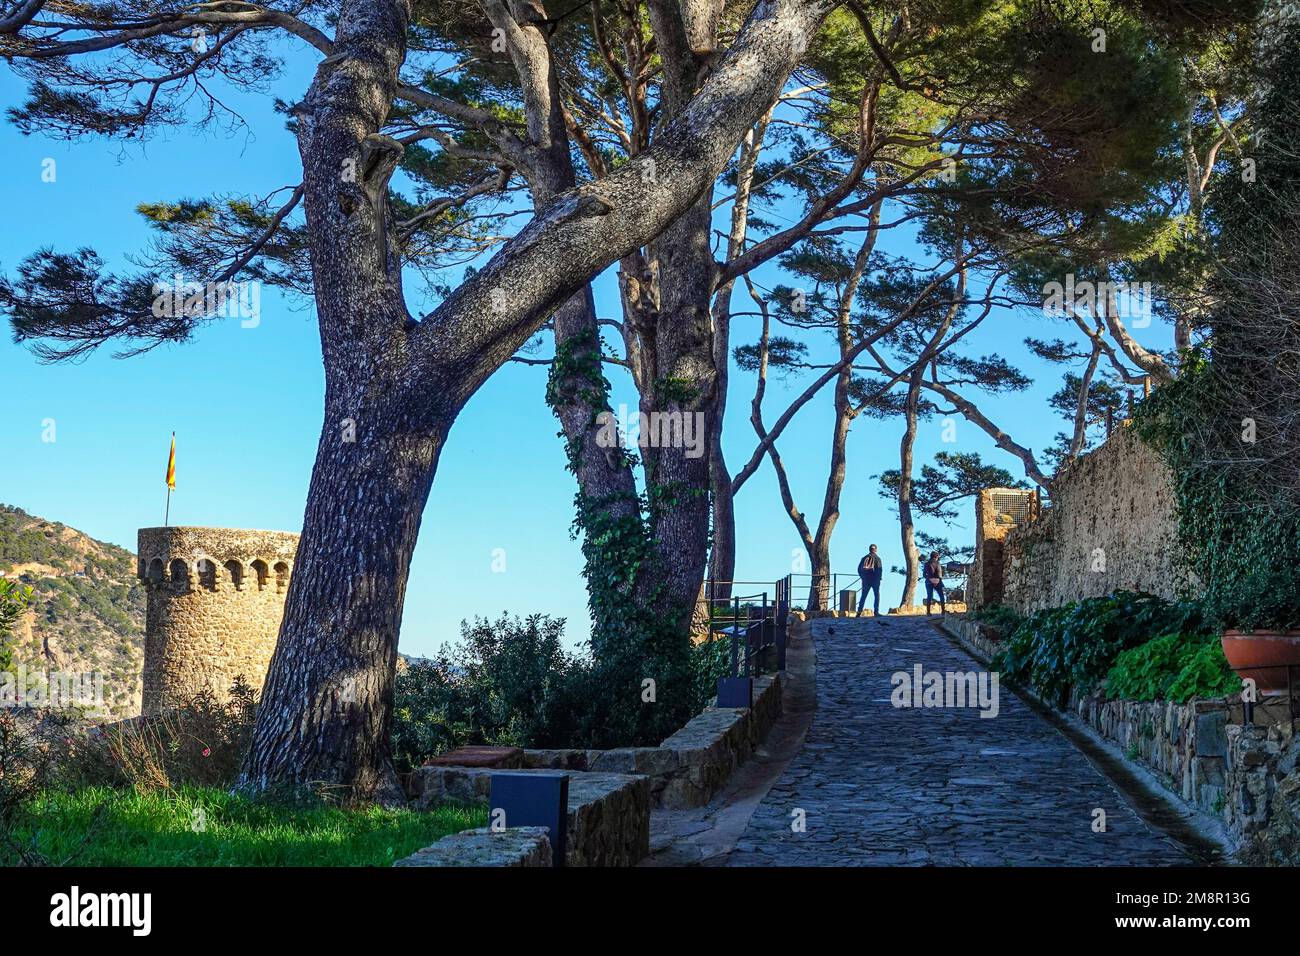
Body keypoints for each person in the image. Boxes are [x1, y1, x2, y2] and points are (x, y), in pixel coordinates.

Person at [857, 544, 883, 615]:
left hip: (866, 580)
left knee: (863, 596)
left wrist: (863, 577)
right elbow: (879, 570)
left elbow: (859, 569)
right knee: (876, 596)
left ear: (869, 549)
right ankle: (876, 612)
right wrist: (879, 579)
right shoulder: (877, 558)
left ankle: (859, 612)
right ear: (876, 550)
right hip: (875, 580)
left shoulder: (864, 558)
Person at [924, 551, 946, 615]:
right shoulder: (938, 564)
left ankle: (928, 612)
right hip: (937, 581)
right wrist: (937, 580)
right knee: (941, 596)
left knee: (929, 596)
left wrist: (930, 579)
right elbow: (939, 574)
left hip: (929, 581)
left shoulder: (927, 564)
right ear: (936, 557)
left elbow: (924, 575)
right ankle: (943, 611)